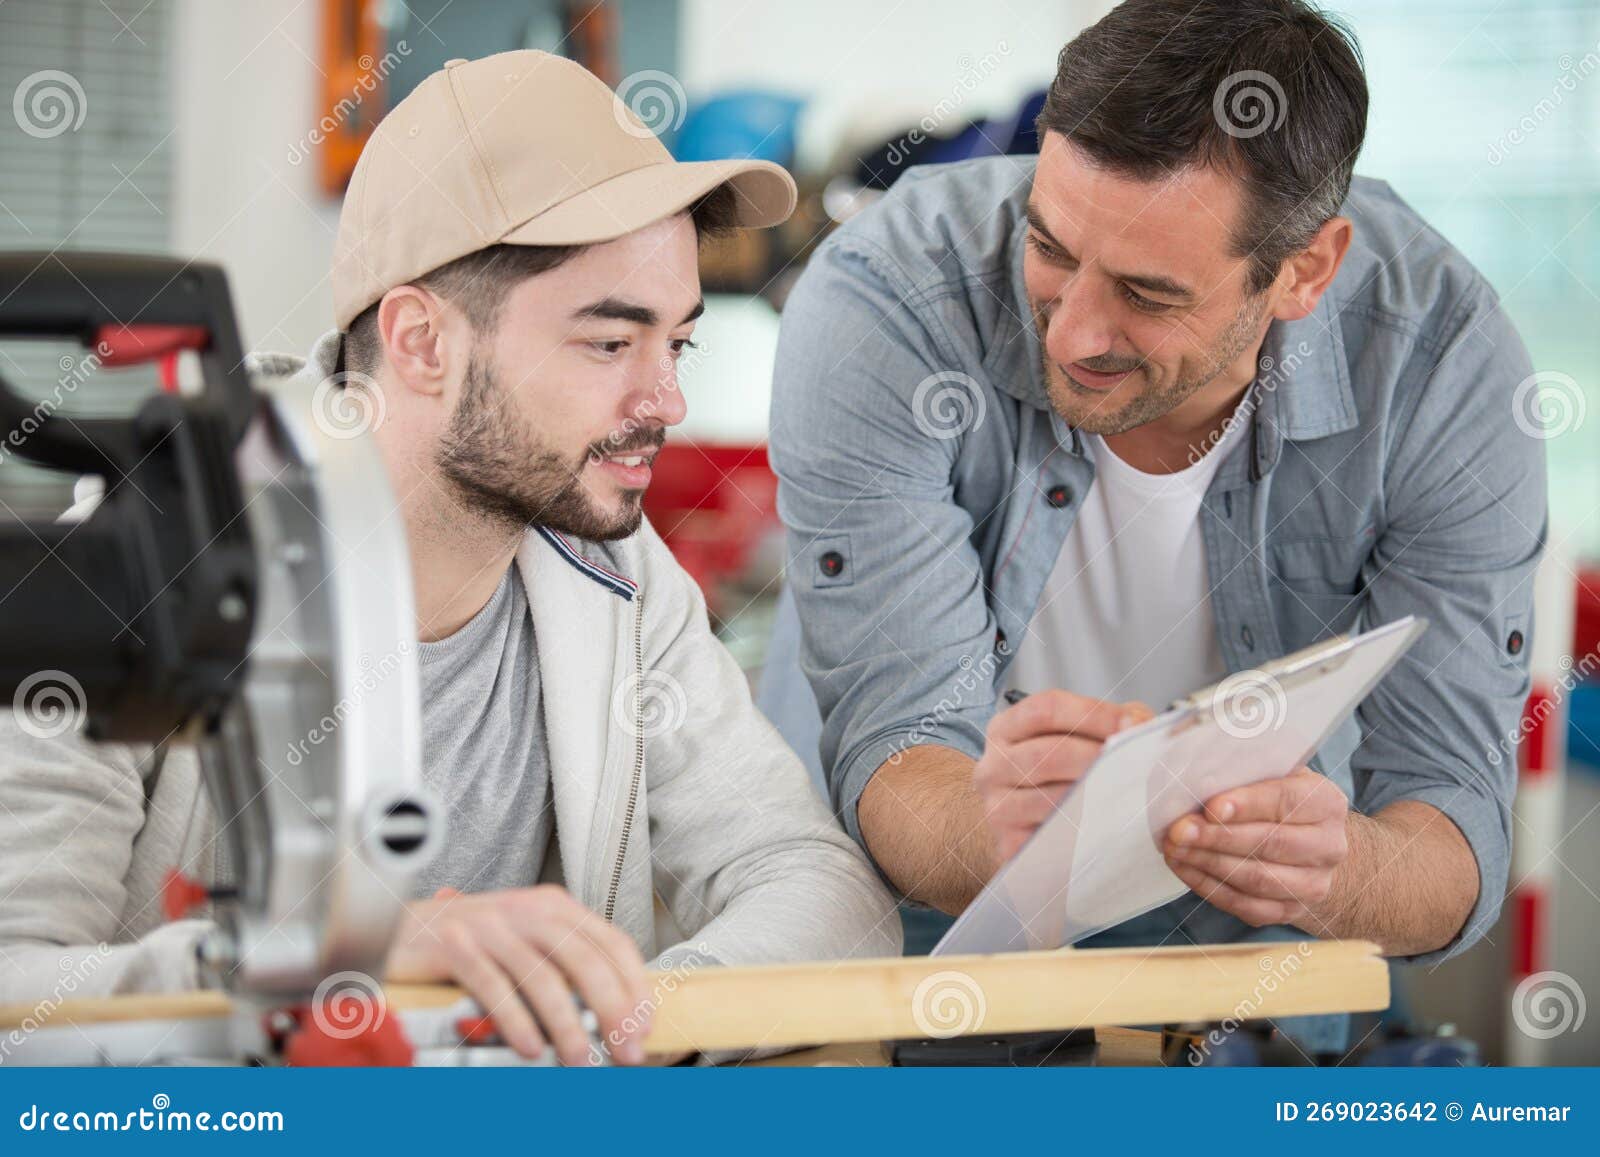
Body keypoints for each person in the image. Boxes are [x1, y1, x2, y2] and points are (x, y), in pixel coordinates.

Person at [0, 50, 898, 1065]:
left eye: (677, 343)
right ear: (422, 342)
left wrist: (618, 1025)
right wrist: (315, 962)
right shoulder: (135, 558)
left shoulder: (619, 572)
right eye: (611, 343)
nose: (668, 400)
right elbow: (16, 996)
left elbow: (821, 889)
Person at [759, 0, 1543, 1049]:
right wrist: (1011, 831)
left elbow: (1449, 826)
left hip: (1251, 947)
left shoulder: (1440, 360)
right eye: (1049, 246)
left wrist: (1338, 867)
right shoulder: (888, 293)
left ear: (1306, 270)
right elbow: (895, 742)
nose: (1074, 334)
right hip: (917, 910)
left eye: (1147, 292)